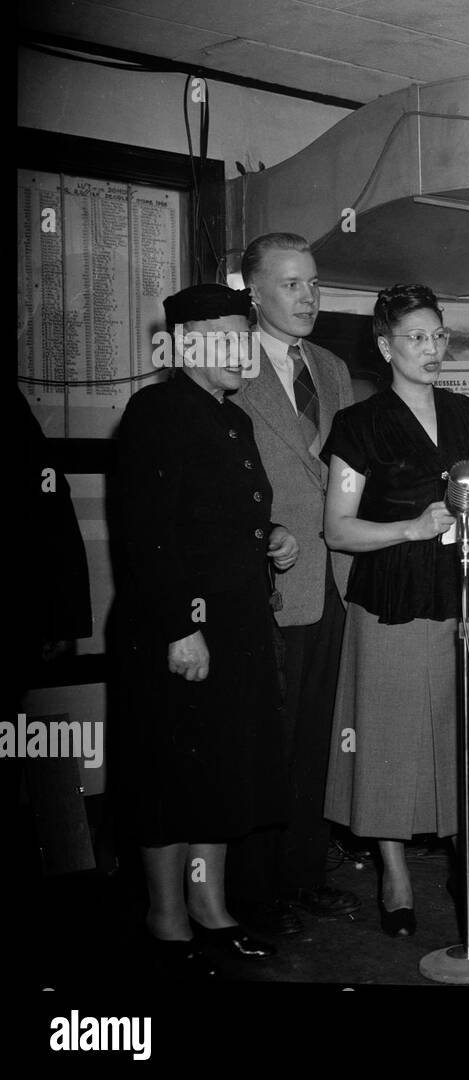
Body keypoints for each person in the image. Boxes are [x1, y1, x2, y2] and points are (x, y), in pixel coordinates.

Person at [115, 283, 295, 976]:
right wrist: (177, 629)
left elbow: (220, 519)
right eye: (225, 337)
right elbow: (148, 535)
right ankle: (166, 918)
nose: (241, 351)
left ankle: (211, 907)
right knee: (168, 773)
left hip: (235, 622)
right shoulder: (156, 411)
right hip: (178, 625)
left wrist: (272, 536)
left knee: (219, 768)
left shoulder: (231, 418)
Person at [322, 284, 469, 936]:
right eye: (416, 338)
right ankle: (395, 875)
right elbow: (339, 529)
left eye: (439, 336)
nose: (432, 349)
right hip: (391, 599)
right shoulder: (358, 424)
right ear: (385, 346)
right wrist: (409, 527)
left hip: (460, 592)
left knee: (465, 733)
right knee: (389, 739)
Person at [227, 232, 361, 935]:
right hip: (268, 586)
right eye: (291, 285)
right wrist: (257, 543)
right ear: (252, 291)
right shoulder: (225, 367)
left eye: (313, 284)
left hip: (336, 582)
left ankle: (305, 874)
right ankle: (254, 893)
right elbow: (210, 489)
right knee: (264, 742)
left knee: (318, 740)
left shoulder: (333, 368)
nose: (308, 297)